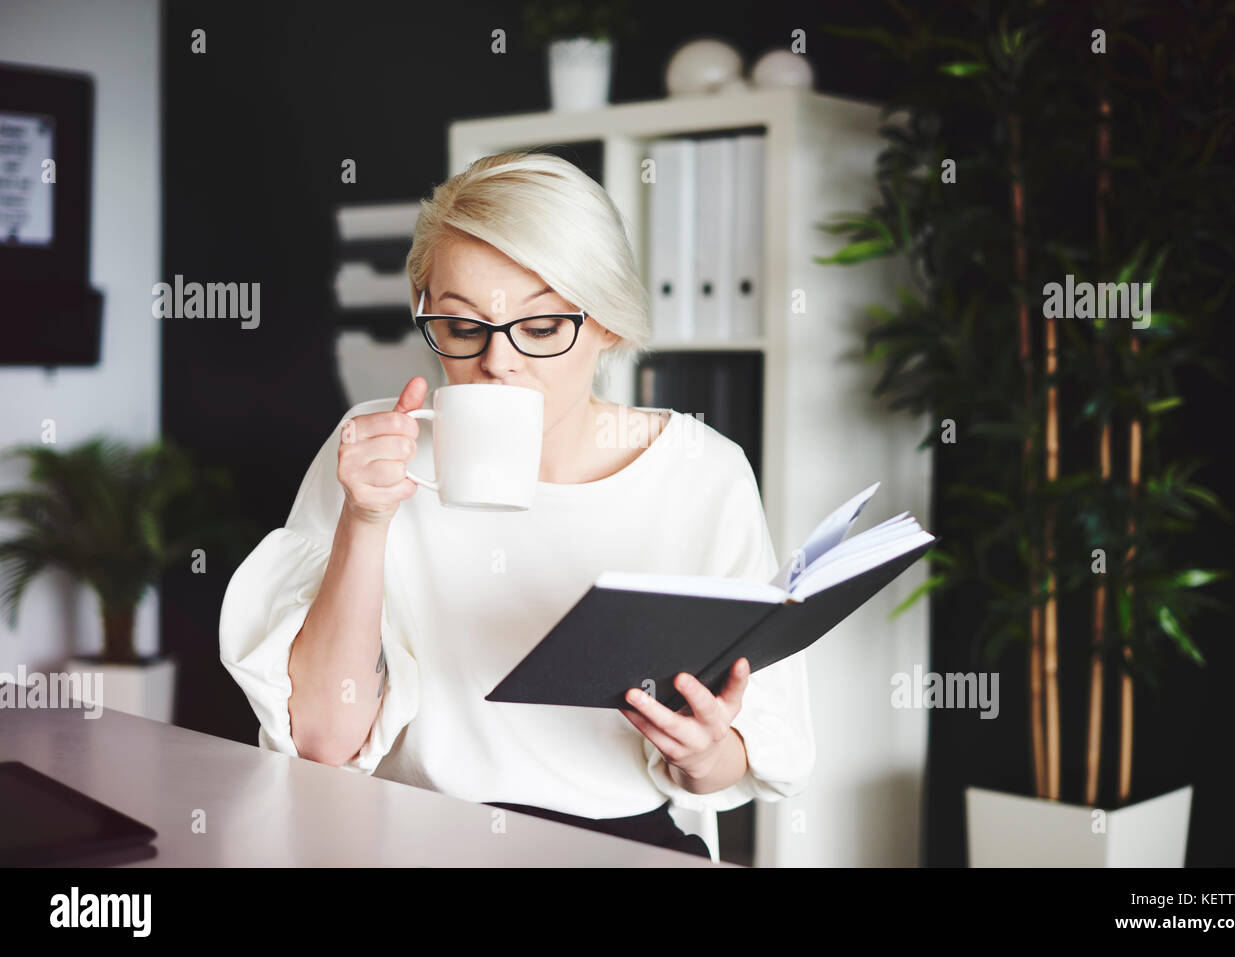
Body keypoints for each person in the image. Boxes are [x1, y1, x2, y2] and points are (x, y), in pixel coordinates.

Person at [219, 149, 815, 864]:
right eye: (464, 328)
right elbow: (322, 740)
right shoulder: (373, 453)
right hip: (415, 837)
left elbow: (736, 762)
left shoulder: (701, 473)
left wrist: (705, 750)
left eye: (540, 328)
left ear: (610, 326)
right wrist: (366, 520)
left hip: (620, 841)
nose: (498, 363)